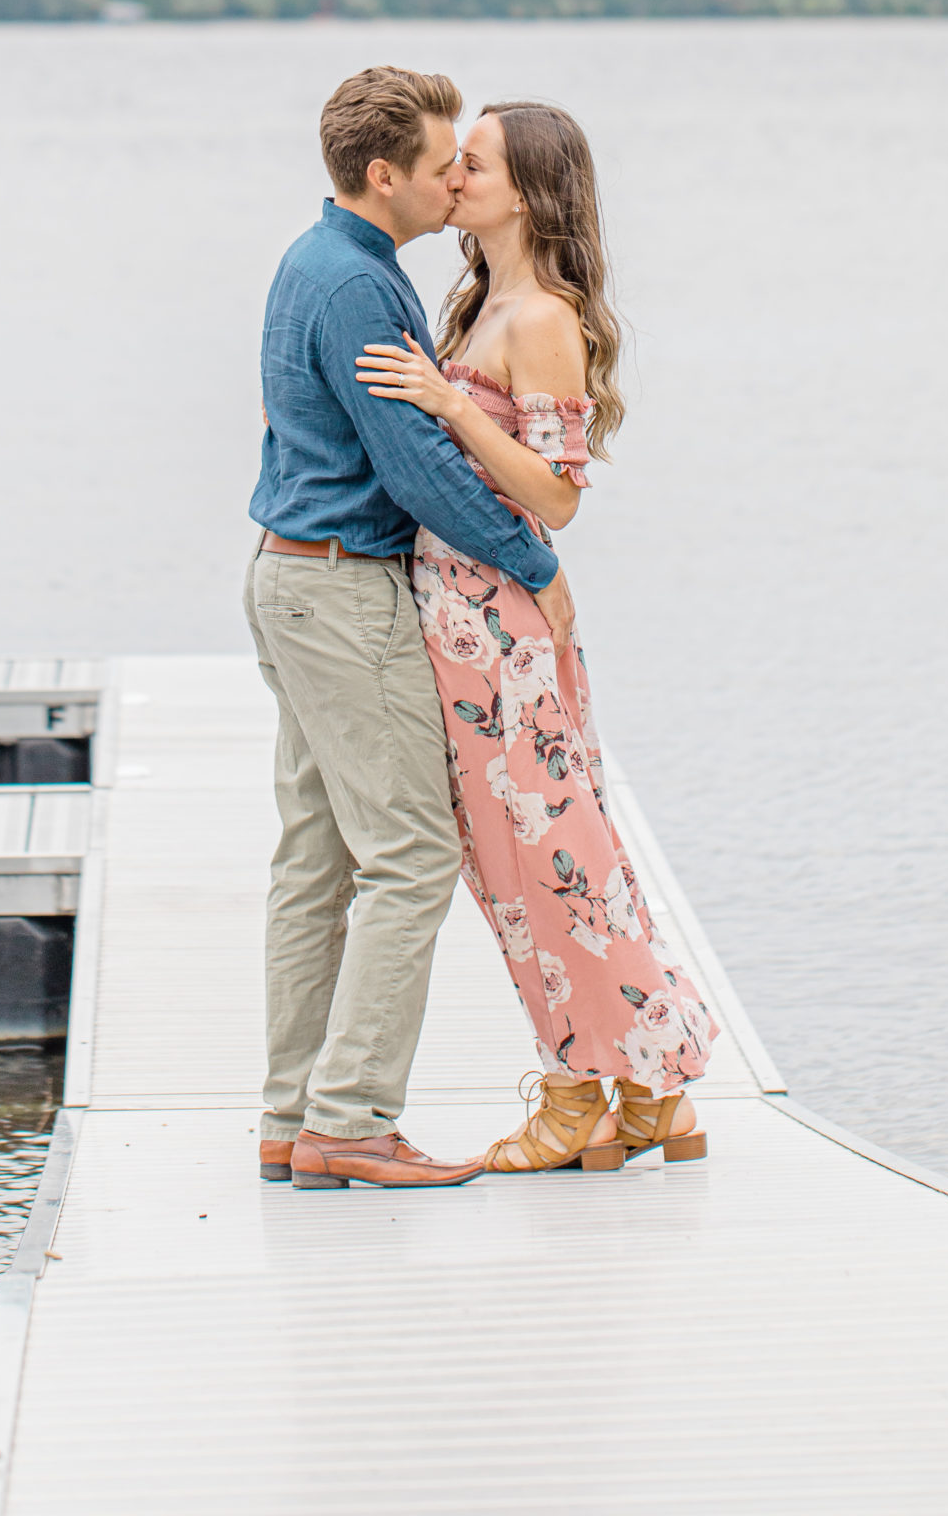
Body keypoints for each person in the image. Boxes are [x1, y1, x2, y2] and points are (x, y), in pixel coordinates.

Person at [356, 99, 716, 1174]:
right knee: (524, 863)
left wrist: (451, 405)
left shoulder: (541, 318)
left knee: (547, 863)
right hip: (458, 614)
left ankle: (582, 1092)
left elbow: (555, 498)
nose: (452, 177)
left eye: (473, 164)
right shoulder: (478, 304)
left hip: (498, 624)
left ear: (527, 192)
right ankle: (645, 1092)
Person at [245, 65, 579, 1192]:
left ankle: (293, 1118)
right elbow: (415, 468)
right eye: (443, 166)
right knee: (411, 856)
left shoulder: (320, 259)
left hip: (291, 575)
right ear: (384, 175)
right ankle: (348, 1119)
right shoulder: (357, 285)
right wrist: (538, 566)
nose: (456, 183)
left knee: (317, 858)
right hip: (342, 591)